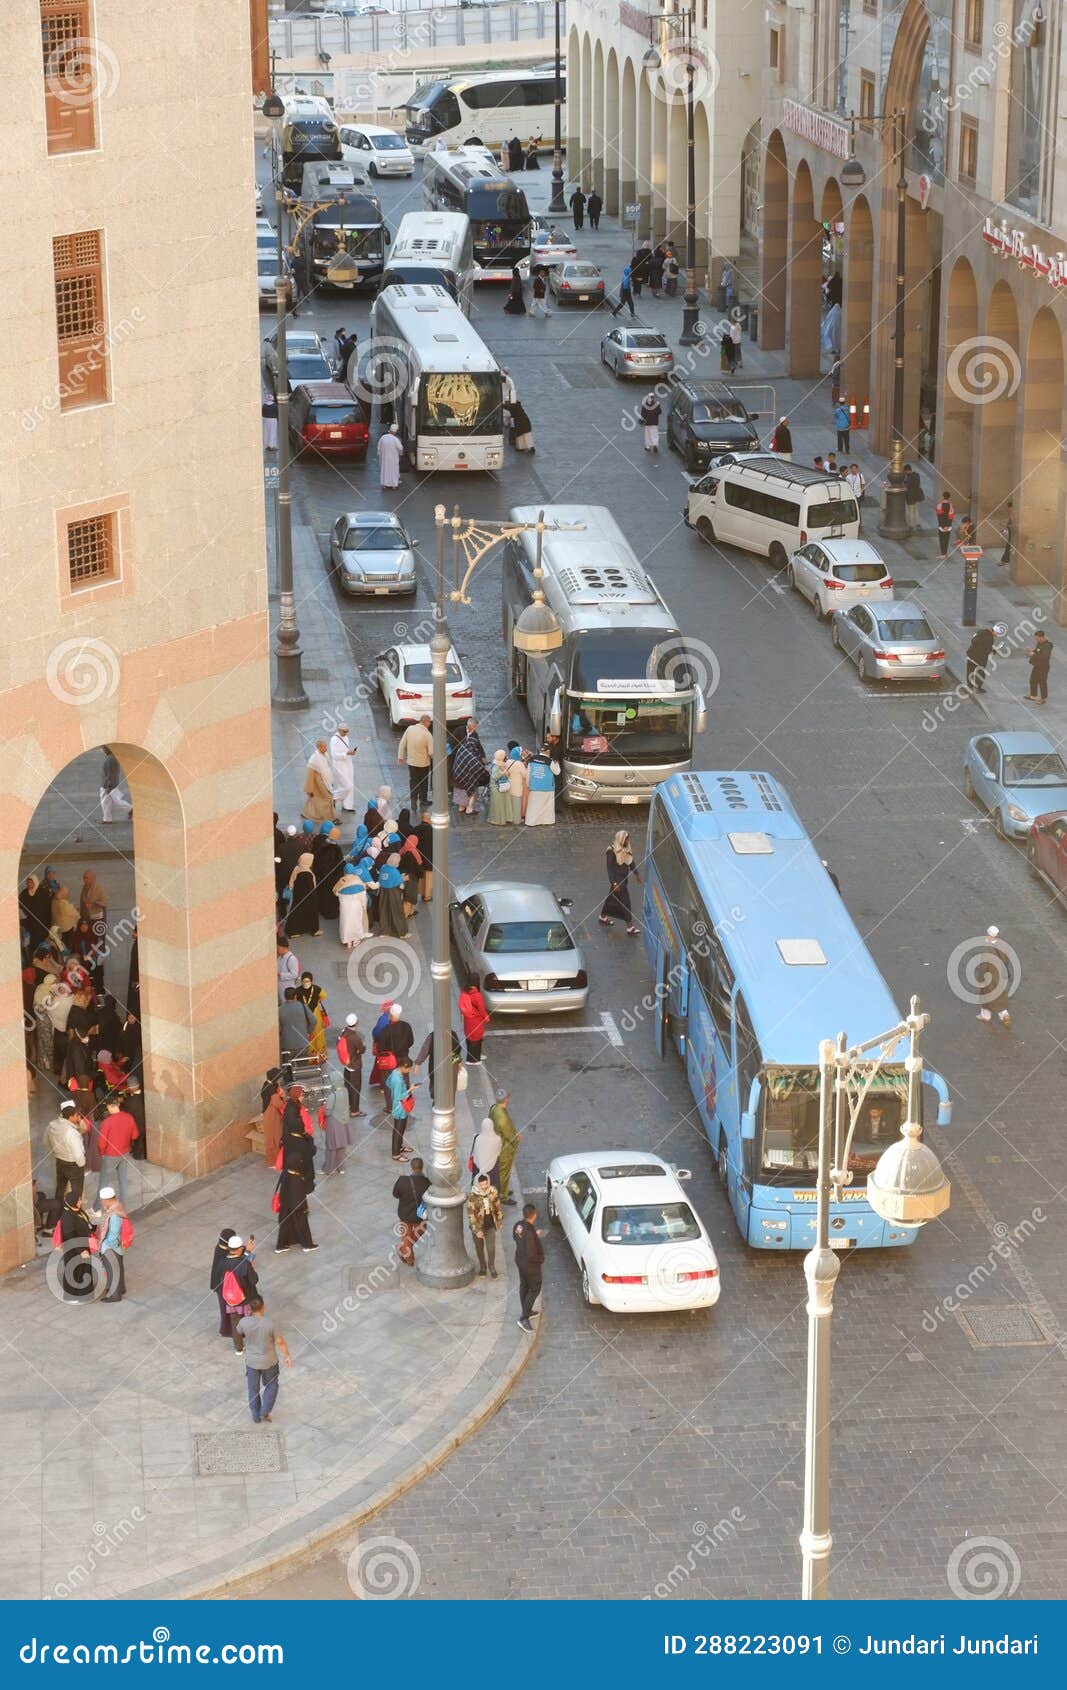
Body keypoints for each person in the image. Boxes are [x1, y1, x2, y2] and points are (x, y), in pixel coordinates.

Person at [238, 1295, 291, 1424]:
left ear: (249, 1308)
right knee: (272, 1385)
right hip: (269, 1361)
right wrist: (287, 1355)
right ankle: (264, 1411)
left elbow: (239, 1332)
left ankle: (255, 1414)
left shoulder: (244, 1322)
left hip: (252, 1362)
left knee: (253, 1389)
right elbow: (280, 1342)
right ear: (263, 1307)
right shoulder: (271, 1324)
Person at [275, 1096, 317, 1252]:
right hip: (296, 1195)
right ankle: (306, 1244)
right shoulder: (297, 1178)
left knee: (285, 1216)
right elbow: (299, 1203)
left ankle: (282, 1245)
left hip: (287, 1197)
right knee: (300, 1215)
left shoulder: (286, 1174)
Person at [97, 1096, 140, 1210]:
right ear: (118, 1105)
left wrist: (102, 1153)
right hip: (125, 1153)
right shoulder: (129, 1117)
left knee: (104, 1182)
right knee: (123, 1180)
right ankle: (123, 1205)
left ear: (109, 1106)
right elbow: (135, 1135)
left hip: (110, 1155)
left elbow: (101, 1143)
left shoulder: (107, 1122)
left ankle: (97, 1208)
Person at [219, 1233, 259, 1349]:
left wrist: (247, 1253)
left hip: (230, 1299)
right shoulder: (244, 1264)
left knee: (235, 1323)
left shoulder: (222, 1262)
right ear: (239, 1249)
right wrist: (251, 1266)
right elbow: (254, 1280)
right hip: (245, 1299)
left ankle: (239, 1348)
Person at [46, 1097, 88, 1207]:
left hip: (60, 1161)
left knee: (60, 1188)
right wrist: (82, 1165)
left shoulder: (52, 1125)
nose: (79, 1117)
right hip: (73, 1165)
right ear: (71, 1116)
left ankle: (57, 1211)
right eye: (77, 1115)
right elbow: (78, 1155)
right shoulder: (72, 1133)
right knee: (76, 1192)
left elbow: (46, 1142)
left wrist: (57, 1153)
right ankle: (74, 1212)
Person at [55, 1191, 95, 1302]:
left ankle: (84, 1295)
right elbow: (70, 1236)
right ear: (73, 1201)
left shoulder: (78, 1211)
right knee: (73, 1271)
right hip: (74, 1249)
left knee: (84, 1270)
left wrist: (93, 1227)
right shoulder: (67, 1217)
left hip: (83, 1245)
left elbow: (86, 1224)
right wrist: (81, 1250)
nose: (81, 1202)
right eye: (79, 1200)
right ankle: (71, 1296)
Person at [599, 829, 641, 934]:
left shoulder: (626, 848)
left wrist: (636, 873)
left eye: (628, 839)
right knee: (626, 903)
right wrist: (614, 883)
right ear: (621, 839)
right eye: (626, 839)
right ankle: (630, 927)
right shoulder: (611, 851)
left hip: (624, 880)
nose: (628, 841)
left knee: (611, 900)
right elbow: (609, 869)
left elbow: (630, 861)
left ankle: (602, 917)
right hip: (617, 883)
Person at [393, 1155, 431, 1265]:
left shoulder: (402, 1180)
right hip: (420, 1215)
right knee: (421, 1230)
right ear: (422, 1167)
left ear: (411, 1167)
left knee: (406, 1236)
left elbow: (395, 1194)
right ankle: (409, 1258)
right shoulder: (427, 1183)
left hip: (404, 1214)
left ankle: (404, 1251)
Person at [513, 1201, 545, 1331]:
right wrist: (541, 1259)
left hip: (519, 1261)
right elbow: (532, 1255)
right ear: (534, 1215)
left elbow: (516, 1237)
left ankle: (527, 1310)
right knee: (535, 1288)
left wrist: (533, 1235)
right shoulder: (530, 1232)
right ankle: (524, 1318)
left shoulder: (518, 1225)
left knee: (524, 1285)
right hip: (530, 1265)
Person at [974, 926, 1013, 1028]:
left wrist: (980, 979)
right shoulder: (1003, 946)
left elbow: (983, 967)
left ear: (989, 935)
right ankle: (1004, 1014)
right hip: (1000, 975)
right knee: (999, 995)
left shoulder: (987, 950)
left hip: (990, 977)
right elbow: (1007, 960)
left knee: (986, 995)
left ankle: (985, 1016)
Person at [97, 1187, 129, 1303]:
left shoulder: (114, 1214)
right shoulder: (118, 1206)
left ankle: (115, 1295)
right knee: (118, 1268)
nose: (101, 1202)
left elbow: (114, 1234)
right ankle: (121, 1289)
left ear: (106, 1200)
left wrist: (107, 1245)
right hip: (118, 1247)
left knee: (112, 1271)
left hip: (111, 1247)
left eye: (102, 1200)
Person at [468, 1175, 503, 1278]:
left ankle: (491, 1266)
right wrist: (476, 1230)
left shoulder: (493, 1191)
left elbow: (497, 1206)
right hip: (478, 1226)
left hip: (490, 1225)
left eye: (486, 1184)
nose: (484, 1187)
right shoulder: (472, 1196)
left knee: (491, 1248)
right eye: (481, 1185)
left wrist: (499, 1219)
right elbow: (471, 1214)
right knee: (479, 1248)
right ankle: (483, 1267)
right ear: (477, 1184)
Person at [490, 1087, 520, 1206]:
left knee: (500, 1170)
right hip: (504, 1148)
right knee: (504, 1171)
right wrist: (516, 1139)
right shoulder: (502, 1117)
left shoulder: (494, 1108)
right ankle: (503, 1195)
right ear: (506, 1099)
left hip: (495, 1143)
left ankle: (504, 1189)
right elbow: (509, 1134)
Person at [397, 714, 433, 810]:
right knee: (423, 782)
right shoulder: (428, 735)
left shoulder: (410, 729)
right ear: (426, 722)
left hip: (411, 762)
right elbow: (431, 752)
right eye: (429, 722)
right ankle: (423, 800)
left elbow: (402, 743)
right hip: (423, 764)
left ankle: (413, 802)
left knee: (413, 782)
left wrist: (400, 756)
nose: (430, 724)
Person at [451, 720, 487, 814]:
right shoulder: (459, 730)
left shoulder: (474, 735)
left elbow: (479, 746)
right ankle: (469, 809)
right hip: (462, 763)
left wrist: (483, 756)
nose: (475, 729)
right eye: (474, 727)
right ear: (469, 725)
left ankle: (461, 807)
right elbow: (451, 742)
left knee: (461, 788)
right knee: (471, 788)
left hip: (459, 765)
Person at [285, 849, 320, 938]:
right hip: (307, 897)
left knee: (296, 912)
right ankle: (314, 930)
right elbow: (311, 888)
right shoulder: (307, 873)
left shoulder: (298, 868)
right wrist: (315, 897)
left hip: (297, 895)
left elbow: (292, 881)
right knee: (311, 913)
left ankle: (294, 931)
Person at [385, 1057, 415, 1161]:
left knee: (401, 1128)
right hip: (400, 1107)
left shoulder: (395, 1072)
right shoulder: (397, 1079)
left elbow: (387, 1082)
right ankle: (396, 1154)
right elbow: (398, 1096)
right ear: (403, 1067)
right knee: (398, 1130)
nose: (409, 1070)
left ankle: (399, 1146)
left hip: (400, 1106)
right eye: (409, 1068)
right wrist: (409, 1090)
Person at [337, 1013, 366, 1118]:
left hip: (346, 1065)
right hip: (354, 1066)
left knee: (348, 1087)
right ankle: (355, 1111)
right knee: (356, 1088)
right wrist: (360, 1049)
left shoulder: (343, 1032)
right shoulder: (355, 1038)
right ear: (356, 1022)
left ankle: (349, 1105)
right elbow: (361, 1050)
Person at [335, 861, 368, 949]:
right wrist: (364, 905)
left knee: (345, 922)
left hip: (345, 906)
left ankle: (347, 941)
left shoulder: (342, 880)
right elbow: (363, 895)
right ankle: (356, 940)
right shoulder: (358, 880)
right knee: (356, 922)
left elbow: (336, 892)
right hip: (356, 905)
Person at [297, 972, 329, 1062]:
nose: (306, 983)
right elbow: (324, 995)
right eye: (304, 981)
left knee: (312, 1036)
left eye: (308, 981)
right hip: (314, 1014)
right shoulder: (316, 989)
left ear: (311, 981)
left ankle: (312, 1058)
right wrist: (317, 1000)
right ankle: (319, 1057)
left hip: (306, 1015)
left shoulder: (298, 990)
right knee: (316, 1036)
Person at [301, 740, 335, 823]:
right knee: (327, 798)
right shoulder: (313, 760)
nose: (326, 748)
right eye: (324, 747)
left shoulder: (325, 755)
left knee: (316, 800)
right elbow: (309, 775)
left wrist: (331, 782)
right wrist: (309, 790)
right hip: (318, 784)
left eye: (326, 746)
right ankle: (330, 818)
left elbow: (328, 769)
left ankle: (305, 813)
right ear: (319, 747)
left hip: (325, 781)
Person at [525, 743, 558, 825]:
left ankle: (531, 822)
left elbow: (528, 774)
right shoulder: (550, 761)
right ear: (548, 751)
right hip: (547, 787)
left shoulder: (532, 759)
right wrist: (556, 763)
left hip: (535, 787)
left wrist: (528, 784)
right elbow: (557, 772)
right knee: (547, 807)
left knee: (533, 806)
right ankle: (546, 821)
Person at [375, 856, 409, 939]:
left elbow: (386, 878)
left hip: (383, 891)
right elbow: (397, 882)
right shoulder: (394, 871)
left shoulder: (383, 867)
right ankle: (402, 933)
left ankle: (384, 931)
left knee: (384, 911)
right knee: (397, 911)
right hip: (393, 892)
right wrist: (404, 878)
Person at [459, 981, 489, 1065]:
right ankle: (472, 1060)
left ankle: (477, 1055)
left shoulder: (465, 992)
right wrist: (486, 1017)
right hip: (476, 1020)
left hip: (467, 1019)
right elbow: (482, 1010)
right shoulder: (477, 995)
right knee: (476, 1039)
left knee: (470, 1038)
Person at [279, 987, 314, 1060]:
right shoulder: (303, 1006)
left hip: (287, 1044)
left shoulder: (280, 1009)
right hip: (302, 1042)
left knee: (288, 1065)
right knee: (303, 1064)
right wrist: (309, 1032)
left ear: (285, 997)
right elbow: (313, 1021)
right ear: (295, 996)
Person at [328, 724, 356, 813]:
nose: (346, 733)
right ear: (339, 730)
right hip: (339, 765)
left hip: (348, 763)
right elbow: (334, 755)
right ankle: (333, 798)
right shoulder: (334, 739)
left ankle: (347, 805)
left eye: (347, 731)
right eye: (344, 731)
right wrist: (346, 754)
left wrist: (350, 753)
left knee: (349, 785)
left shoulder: (346, 738)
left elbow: (345, 750)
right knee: (347, 786)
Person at [99, 747, 132, 823]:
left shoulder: (110, 759)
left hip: (107, 785)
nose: (102, 750)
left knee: (108, 801)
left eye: (103, 748)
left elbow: (111, 774)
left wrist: (109, 786)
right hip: (111, 784)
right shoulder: (111, 757)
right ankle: (107, 819)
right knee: (108, 801)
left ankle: (130, 809)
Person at [470, 1115, 502, 1190]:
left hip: (478, 1168)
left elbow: (474, 1153)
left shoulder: (477, 1138)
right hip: (492, 1169)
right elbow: (498, 1153)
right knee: (492, 1188)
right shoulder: (497, 1139)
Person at [966, 625, 996, 693]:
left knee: (970, 671)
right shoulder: (990, 638)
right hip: (979, 659)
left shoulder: (980, 631)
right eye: (996, 634)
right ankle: (978, 688)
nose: (996, 635)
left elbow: (973, 640)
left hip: (970, 655)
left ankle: (969, 686)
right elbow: (987, 650)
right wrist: (993, 651)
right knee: (980, 673)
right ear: (994, 632)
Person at [504, 745, 529, 823]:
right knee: (516, 804)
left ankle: (509, 818)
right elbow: (525, 775)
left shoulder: (507, 762)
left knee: (509, 803)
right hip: (517, 787)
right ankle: (517, 820)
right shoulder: (519, 764)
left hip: (508, 786)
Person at [1026, 630, 1052, 703]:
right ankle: (1033, 696)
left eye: (1037, 639)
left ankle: (1043, 699)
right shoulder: (1040, 643)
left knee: (1042, 682)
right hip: (1037, 665)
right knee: (1033, 680)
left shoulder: (1047, 646)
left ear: (1042, 637)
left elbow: (1044, 657)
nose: (1036, 640)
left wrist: (1033, 654)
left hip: (1043, 667)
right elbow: (1038, 651)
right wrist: (1032, 651)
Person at [488, 749, 512, 825]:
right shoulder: (496, 766)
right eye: (504, 755)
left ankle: (504, 818)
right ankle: (498, 820)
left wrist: (506, 773)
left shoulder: (501, 763)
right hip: (496, 788)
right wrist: (503, 773)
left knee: (502, 803)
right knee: (498, 805)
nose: (506, 756)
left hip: (501, 787)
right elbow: (494, 776)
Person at [415, 807, 434, 901]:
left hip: (419, 856)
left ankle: (422, 893)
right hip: (429, 857)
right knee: (429, 877)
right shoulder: (432, 830)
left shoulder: (416, 828)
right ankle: (427, 896)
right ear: (428, 819)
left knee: (421, 877)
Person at [277, 935, 300, 1003]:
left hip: (288, 989)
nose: (277, 950)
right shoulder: (280, 957)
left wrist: (280, 974)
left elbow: (294, 974)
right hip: (281, 986)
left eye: (278, 948)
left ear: (283, 947)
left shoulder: (291, 959)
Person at [903, 463, 924, 530]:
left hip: (910, 496)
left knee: (911, 511)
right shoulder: (916, 475)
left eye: (905, 471)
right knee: (916, 510)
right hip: (916, 496)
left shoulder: (910, 477)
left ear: (907, 470)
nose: (905, 473)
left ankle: (911, 525)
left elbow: (907, 486)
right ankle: (917, 523)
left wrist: (904, 483)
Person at [935, 492, 955, 557]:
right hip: (948, 526)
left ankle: (942, 554)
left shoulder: (939, 505)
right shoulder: (951, 505)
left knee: (941, 539)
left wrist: (942, 526)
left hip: (941, 525)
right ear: (949, 497)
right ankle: (945, 553)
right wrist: (947, 526)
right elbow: (951, 517)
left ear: (943, 496)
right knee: (946, 539)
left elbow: (939, 517)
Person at [1000, 500, 1014, 569]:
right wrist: (1004, 530)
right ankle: (1004, 560)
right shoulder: (1010, 517)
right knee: (1008, 547)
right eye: (1009, 510)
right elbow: (1009, 526)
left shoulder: (1015, 515)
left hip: (1014, 535)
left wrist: (1006, 526)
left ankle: (1004, 561)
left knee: (1009, 547)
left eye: (1010, 510)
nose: (1009, 512)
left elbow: (1013, 526)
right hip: (1011, 534)